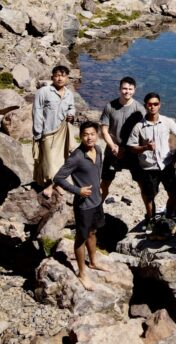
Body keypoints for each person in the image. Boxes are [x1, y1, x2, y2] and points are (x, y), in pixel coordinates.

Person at [53, 121, 109, 290]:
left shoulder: (98, 150)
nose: (89, 137)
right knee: (81, 238)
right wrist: (77, 190)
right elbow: (58, 178)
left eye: (92, 134)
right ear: (81, 136)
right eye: (85, 134)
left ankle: (92, 262)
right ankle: (82, 273)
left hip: (97, 202)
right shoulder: (76, 156)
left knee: (93, 232)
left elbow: (96, 172)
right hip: (83, 205)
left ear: (97, 135)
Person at [126, 92, 176, 229]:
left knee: (173, 194)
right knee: (150, 196)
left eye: (155, 104)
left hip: (166, 164)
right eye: (150, 104)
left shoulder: (167, 121)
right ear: (146, 105)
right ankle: (151, 220)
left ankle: (168, 217)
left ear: (160, 105)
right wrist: (145, 147)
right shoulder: (139, 126)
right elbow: (131, 147)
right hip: (149, 167)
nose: (153, 107)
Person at [32, 65, 77, 197]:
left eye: (63, 76)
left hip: (62, 132)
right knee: (48, 160)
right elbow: (37, 112)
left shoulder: (69, 94)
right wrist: (38, 132)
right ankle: (48, 185)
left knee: (61, 159)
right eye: (57, 75)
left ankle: (57, 184)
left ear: (67, 78)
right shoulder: (44, 92)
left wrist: (71, 113)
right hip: (47, 131)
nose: (59, 78)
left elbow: (72, 107)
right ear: (52, 77)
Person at [99, 76, 146, 200]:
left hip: (133, 152)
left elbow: (145, 133)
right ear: (120, 89)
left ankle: (150, 216)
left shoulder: (140, 110)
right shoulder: (110, 106)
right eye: (124, 88)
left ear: (134, 90)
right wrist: (113, 147)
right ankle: (96, 209)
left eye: (130, 89)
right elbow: (104, 130)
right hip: (113, 151)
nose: (127, 91)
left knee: (143, 183)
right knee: (105, 182)